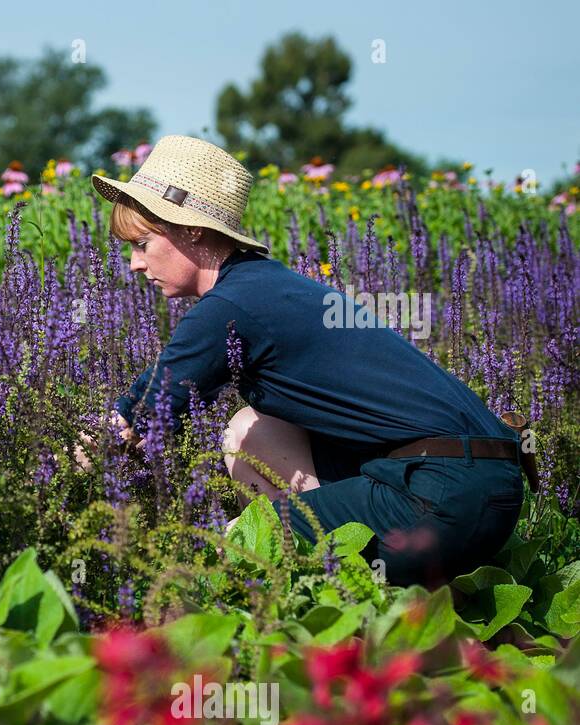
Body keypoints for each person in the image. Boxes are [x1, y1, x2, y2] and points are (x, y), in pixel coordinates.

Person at [88, 135, 528, 587]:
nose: (134, 265)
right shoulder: (267, 285)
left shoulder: (231, 306)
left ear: (191, 229)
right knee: (248, 430)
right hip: (485, 482)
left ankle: (323, 599)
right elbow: (162, 393)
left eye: (142, 243)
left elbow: (140, 412)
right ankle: (343, 586)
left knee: (246, 547)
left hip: (437, 496)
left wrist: (55, 482)